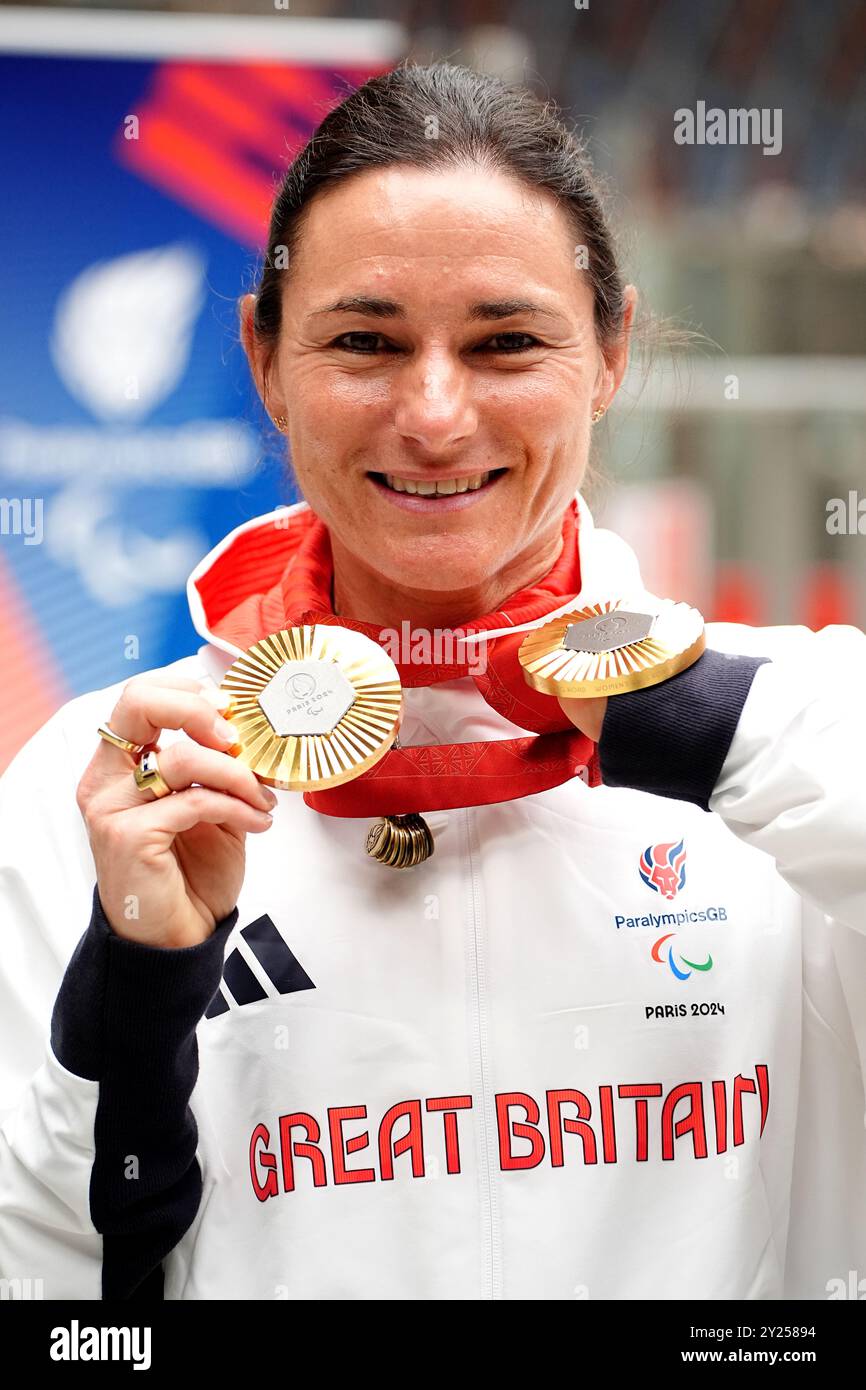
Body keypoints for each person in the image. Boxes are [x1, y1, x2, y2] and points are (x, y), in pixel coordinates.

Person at [1, 61, 864, 1303]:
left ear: (610, 352)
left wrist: (708, 726)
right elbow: (50, 1299)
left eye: (505, 341)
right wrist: (133, 1001)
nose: (436, 412)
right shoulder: (111, 794)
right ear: (265, 359)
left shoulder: (784, 743)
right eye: (365, 341)